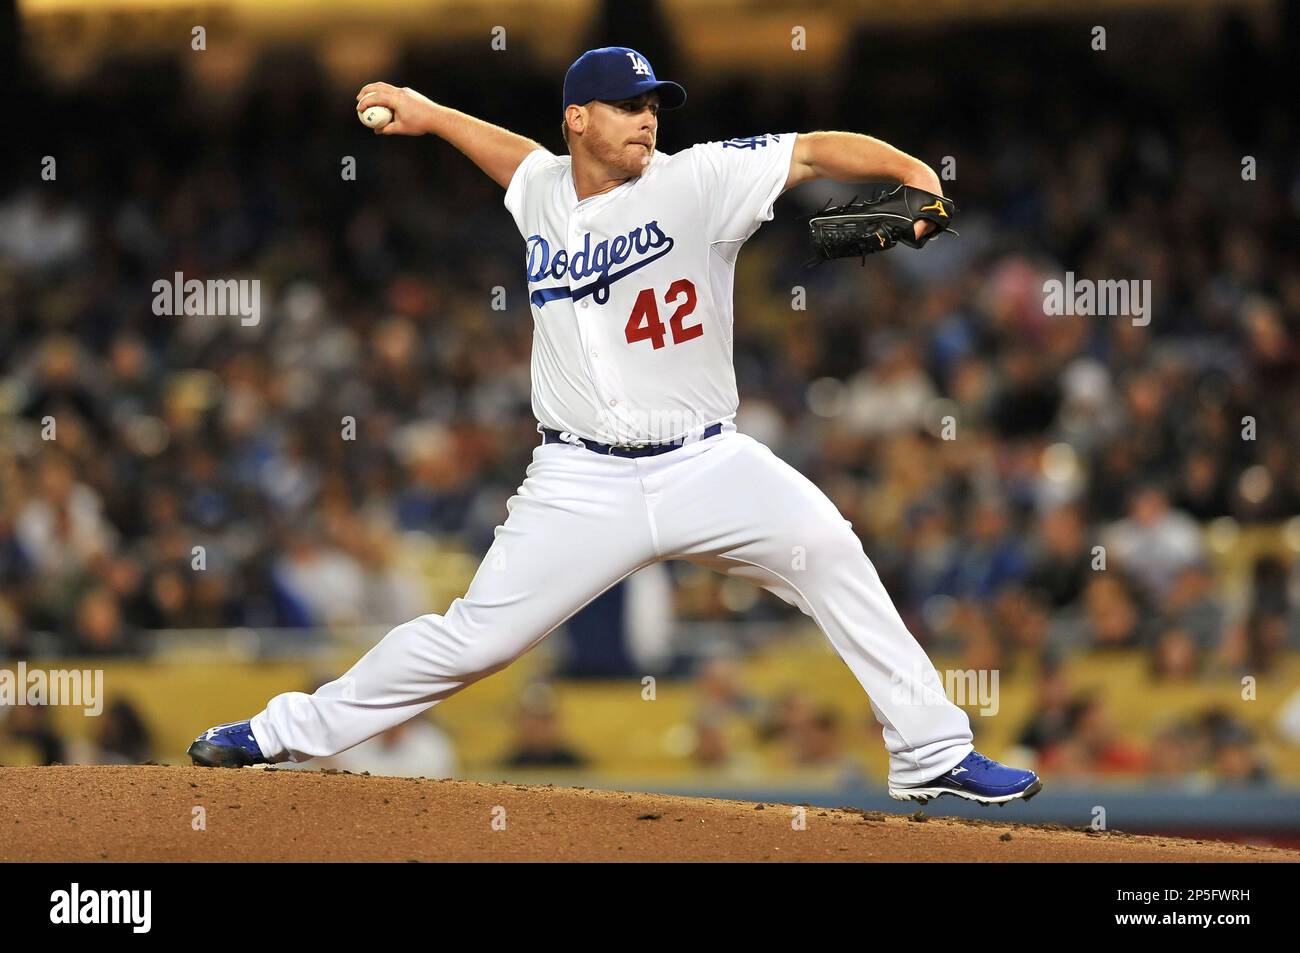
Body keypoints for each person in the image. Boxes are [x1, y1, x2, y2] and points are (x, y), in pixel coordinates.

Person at [189, 47, 1041, 806]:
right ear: (578, 120)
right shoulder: (542, 191)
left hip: (708, 462)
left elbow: (813, 151)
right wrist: (431, 113)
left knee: (828, 547)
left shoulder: (696, 179)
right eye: (630, 107)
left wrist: (915, 173)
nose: (646, 121)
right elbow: (514, 158)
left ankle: (932, 751)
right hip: (579, 480)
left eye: (653, 107)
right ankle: (275, 735)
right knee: (474, 640)